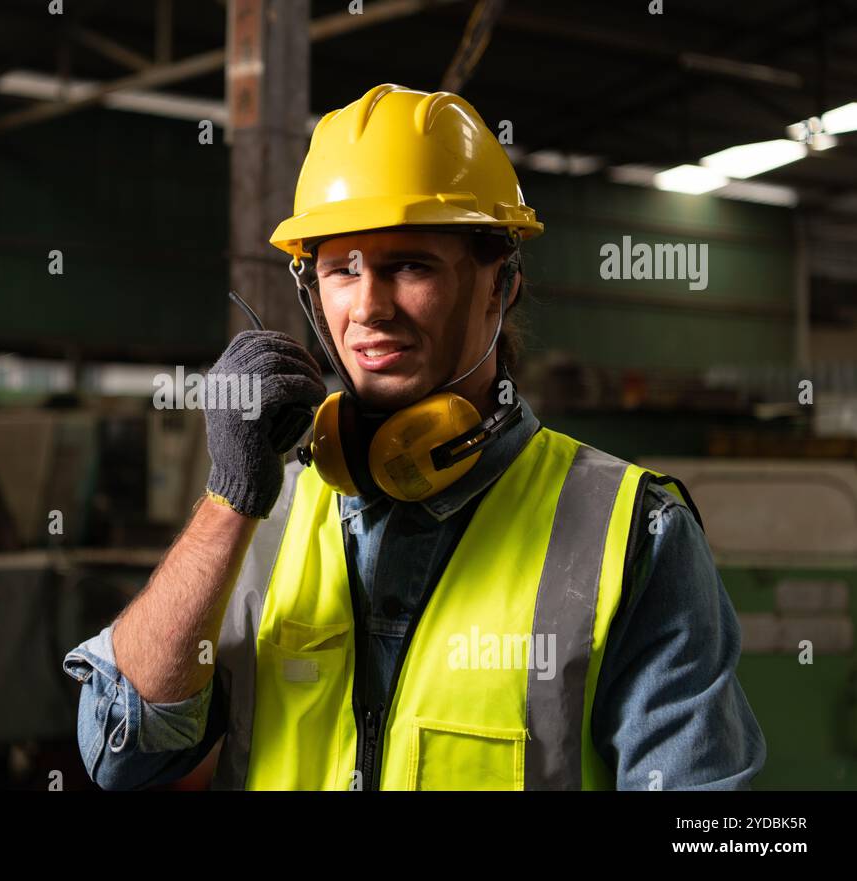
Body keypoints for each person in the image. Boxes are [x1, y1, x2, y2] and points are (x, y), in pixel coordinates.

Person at [64, 84, 765, 790]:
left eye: (410, 265)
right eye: (343, 268)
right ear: (312, 288)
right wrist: (229, 498)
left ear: (501, 283)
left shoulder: (633, 534)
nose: (368, 307)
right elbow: (123, 751)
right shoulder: (267, 517)